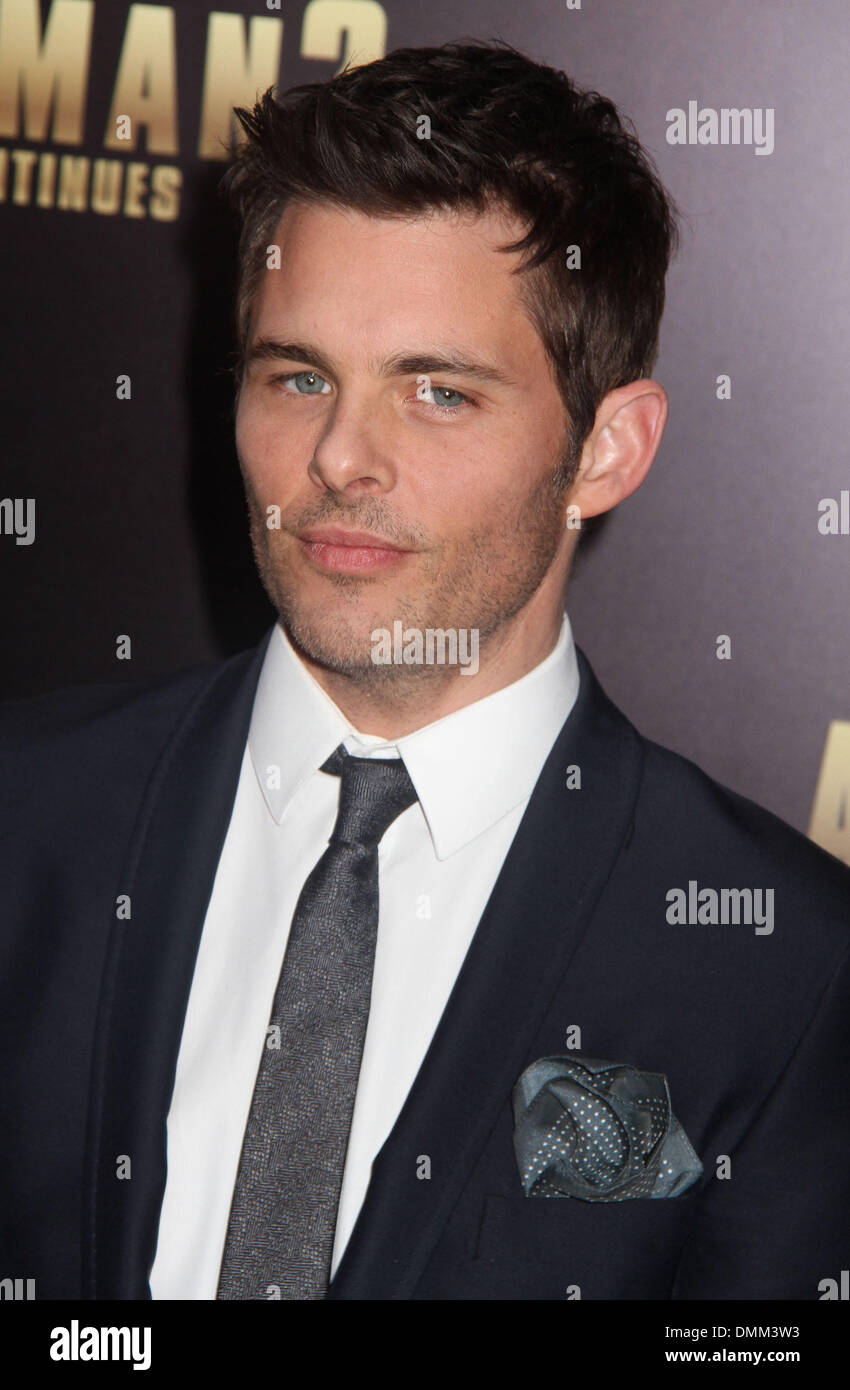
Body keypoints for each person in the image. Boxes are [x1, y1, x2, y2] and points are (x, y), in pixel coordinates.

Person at [1, 40, 848, 1303]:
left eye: (438, 393)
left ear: (608, 450)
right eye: (297, 375)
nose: (340, 457)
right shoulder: (26, 815)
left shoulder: (783, 965)